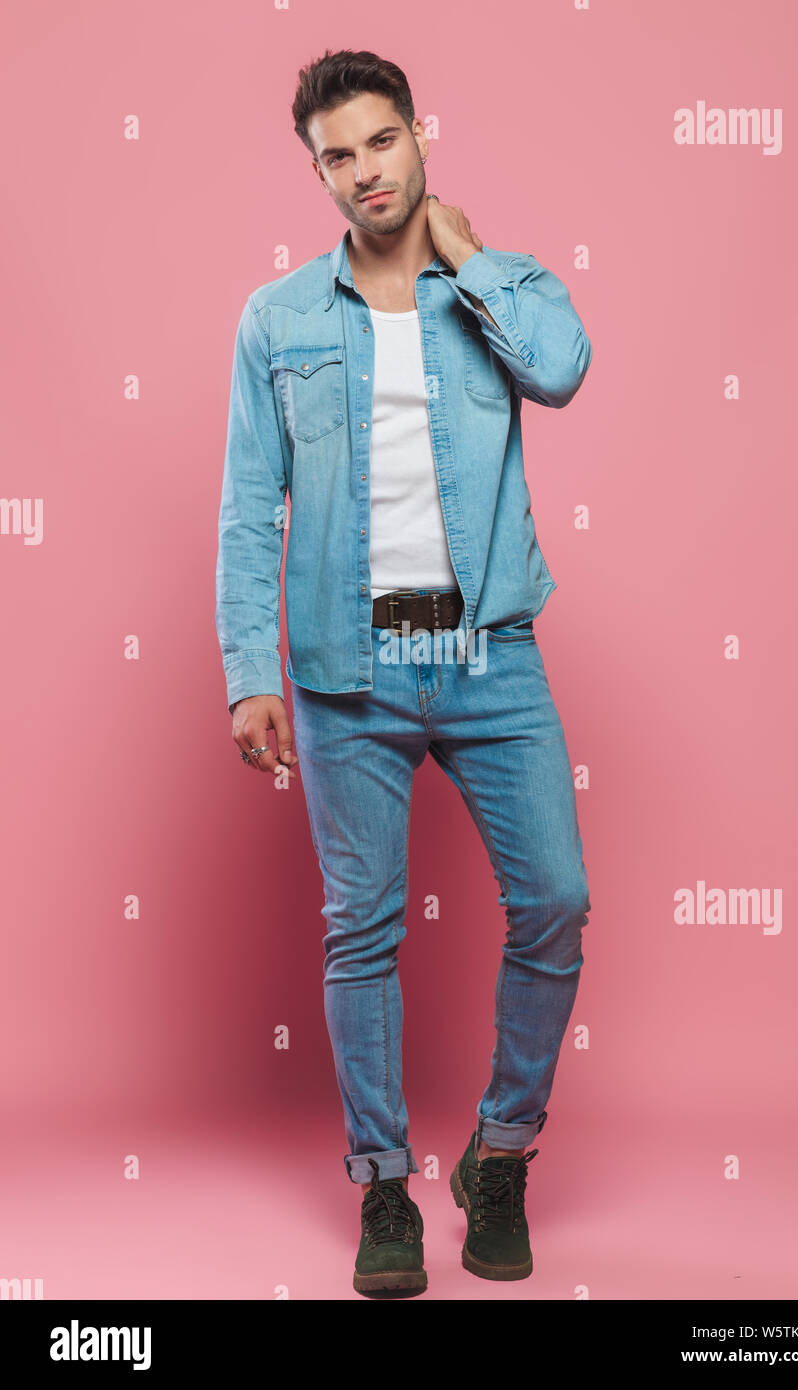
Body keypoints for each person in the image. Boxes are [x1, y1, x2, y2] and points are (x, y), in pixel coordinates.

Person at [215, 47, 593, 1299]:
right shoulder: (276, 320)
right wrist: (245, 670)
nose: (363, 172)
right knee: (359, 931)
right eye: (337, 155)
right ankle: (383, 1182)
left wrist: (470, 260)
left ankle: (499, 1152)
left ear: (418, 134)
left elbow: (562, 369)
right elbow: (245, 510)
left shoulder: (503, 285)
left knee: (552, 902)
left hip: (486, 653)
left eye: (380, 141)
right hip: (343, 666)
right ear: (313, 171)